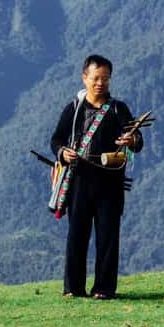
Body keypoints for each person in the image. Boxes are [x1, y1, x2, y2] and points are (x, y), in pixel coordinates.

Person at [50, 54, 143, 299]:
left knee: (108, 236)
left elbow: (136, 138)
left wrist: (131, 140)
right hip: (78, 181)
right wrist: (63, 153)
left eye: (105, 78)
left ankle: (104, 288)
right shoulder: (74, 108)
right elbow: (56, 139)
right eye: (95, 78)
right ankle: (73, 287)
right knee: (77, 235)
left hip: (110, 182)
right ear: (84, 78)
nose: (100, 83)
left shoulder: (117, 108)